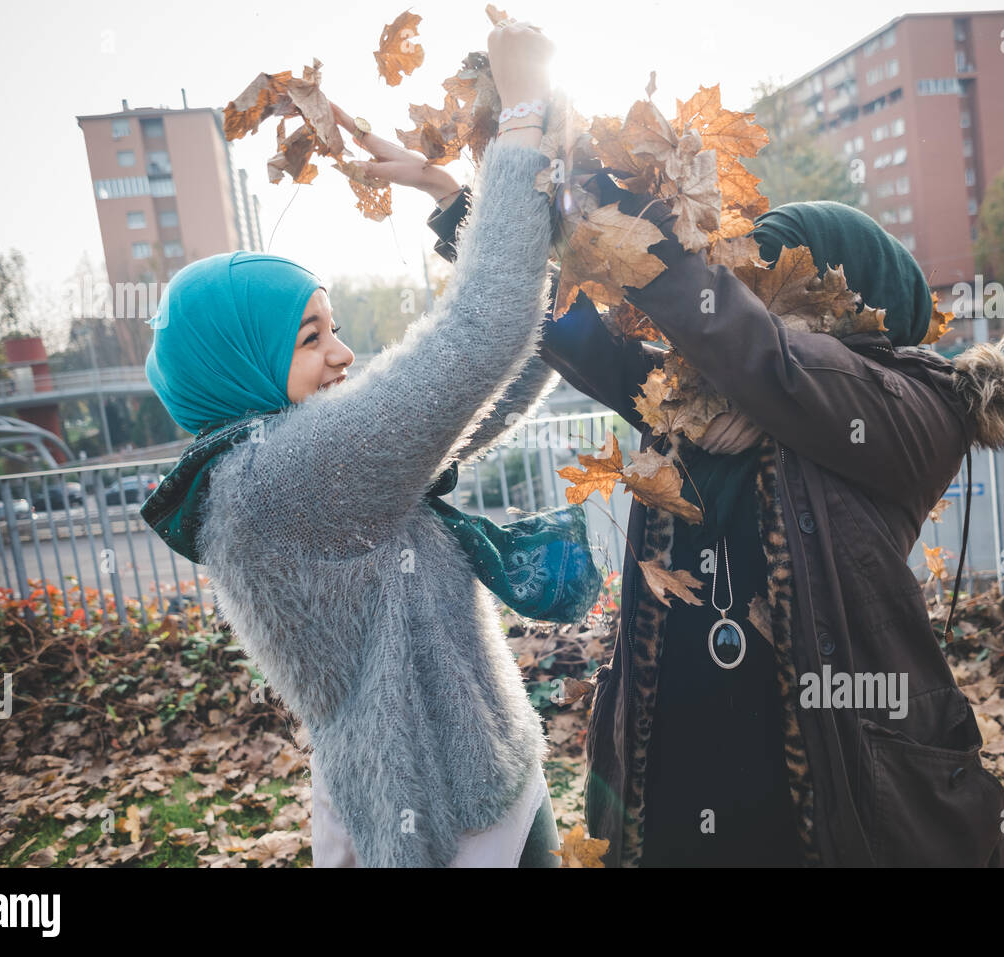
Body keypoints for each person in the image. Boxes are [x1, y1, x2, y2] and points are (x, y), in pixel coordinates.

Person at [395, 169, 1004, 866]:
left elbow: (764, 360)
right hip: (681, 760)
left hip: (827, 780)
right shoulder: (706, 399)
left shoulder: (912, 411)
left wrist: (599, 186)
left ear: (849, 304)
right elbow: (584, 338)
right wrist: (463, 206)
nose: (749, 302)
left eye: (768, 288)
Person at [140, 19, 584, 868]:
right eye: (310, 339)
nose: (344, 353)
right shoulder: (275, 480)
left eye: (334, 327)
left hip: (490, 777)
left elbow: (497, 378)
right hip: (440, 821)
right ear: (238, 361)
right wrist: (521, 117)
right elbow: (476, 337)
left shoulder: (288, 454)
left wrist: (454, 198)